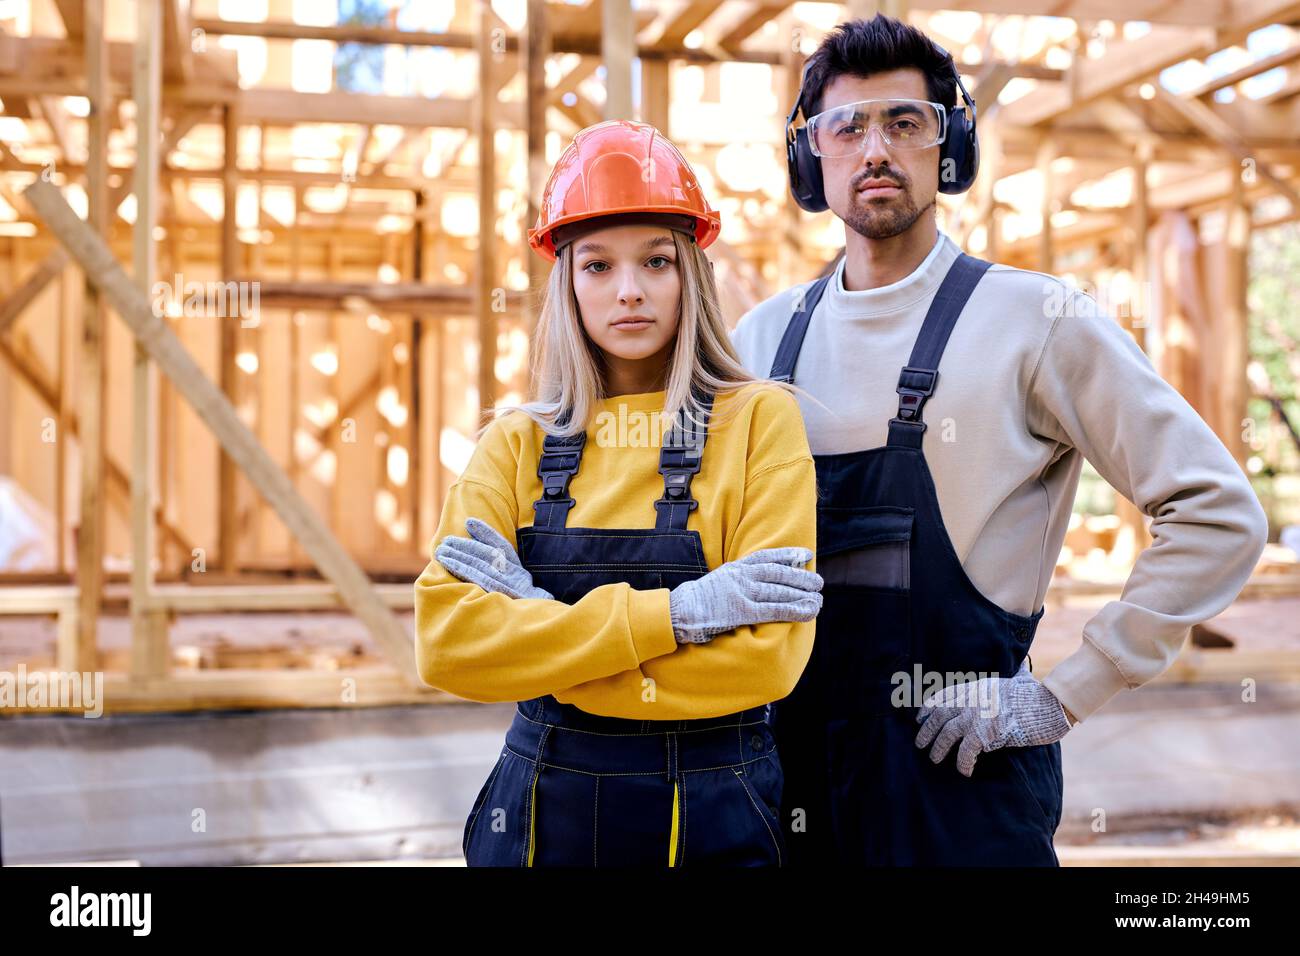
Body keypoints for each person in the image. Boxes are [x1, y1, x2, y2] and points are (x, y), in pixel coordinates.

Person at [732, 15, 1269, 866]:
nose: (876, 149)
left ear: (948, 146)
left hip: (962, 786)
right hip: (783, 784)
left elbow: (1218, 512)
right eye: (849, 126)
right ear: (812, 157)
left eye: (906, 123)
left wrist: (1063, 695)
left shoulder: (1036, 321)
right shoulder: (757, 342)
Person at [414, 120, 823, 867]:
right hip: (540, 820)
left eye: (657, 262)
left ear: (690, 274)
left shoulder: (760, 422)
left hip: (713, 821)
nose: (629, 291)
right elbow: (448, 647)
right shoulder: (516, 443)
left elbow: (766, 663)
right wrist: (683, 614)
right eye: (597, 265)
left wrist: (542, 638)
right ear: (566, 281)